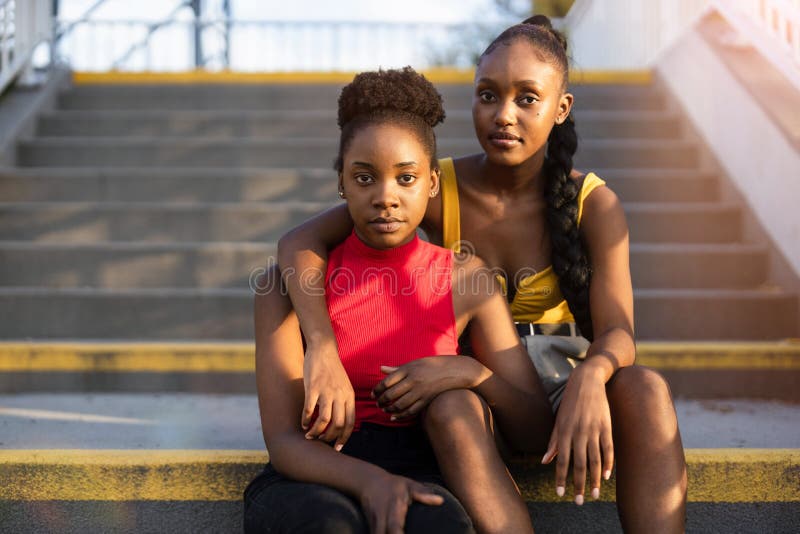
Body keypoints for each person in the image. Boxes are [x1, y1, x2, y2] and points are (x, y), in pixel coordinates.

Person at [265, 15, 689, 533]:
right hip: (468, 391)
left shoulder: (593, 203)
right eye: (488, 95)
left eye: (526, 98)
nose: (503, 115)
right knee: (453, 407)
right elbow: (298, 243)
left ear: (562, 108)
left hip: (562, 384)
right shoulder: (432, 184)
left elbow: (619, 330)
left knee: (644, 388)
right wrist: (322, 346)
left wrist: (594, 375)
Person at [245, 67, 553, 534]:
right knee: (329, 526)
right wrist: (373, 481)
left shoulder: (466, 279)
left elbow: (533, 429)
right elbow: (285, 442)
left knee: (440, 526)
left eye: (405, 179)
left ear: (432, 183)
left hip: (425, 468)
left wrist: (473, 373)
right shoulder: (287, 286)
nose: (385, 197)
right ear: (342, 185)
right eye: (364, 178)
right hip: (314, 472)